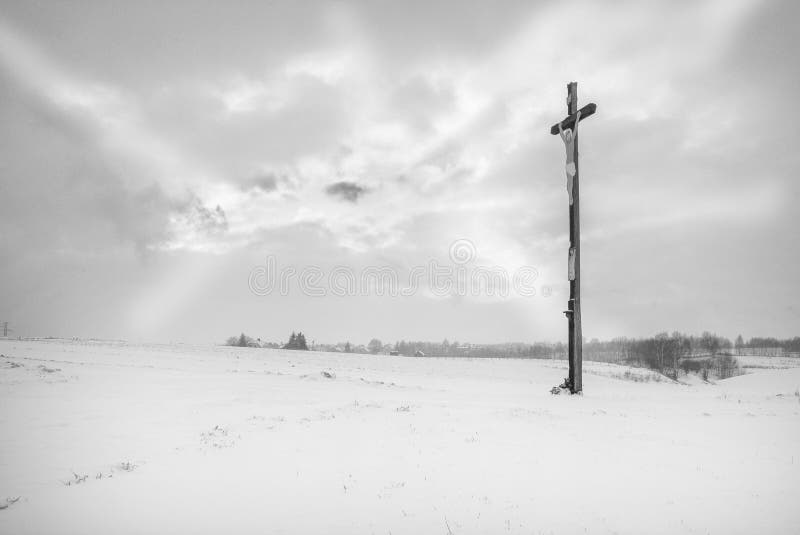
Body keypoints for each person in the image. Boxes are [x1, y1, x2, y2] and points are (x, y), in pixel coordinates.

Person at [557, 110, 581, 205]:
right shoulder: (566, 144)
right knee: (568, 184)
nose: (567, 136)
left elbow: (575, 128)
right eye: (566, 135)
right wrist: (559, 127)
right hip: (567, 164)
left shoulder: (571, 141)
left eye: (568, 135)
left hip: (571, 164)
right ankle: (569, 195)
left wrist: (578, 117)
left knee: (570, 182)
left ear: (570, 135)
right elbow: (561, 134)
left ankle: (570, 197)